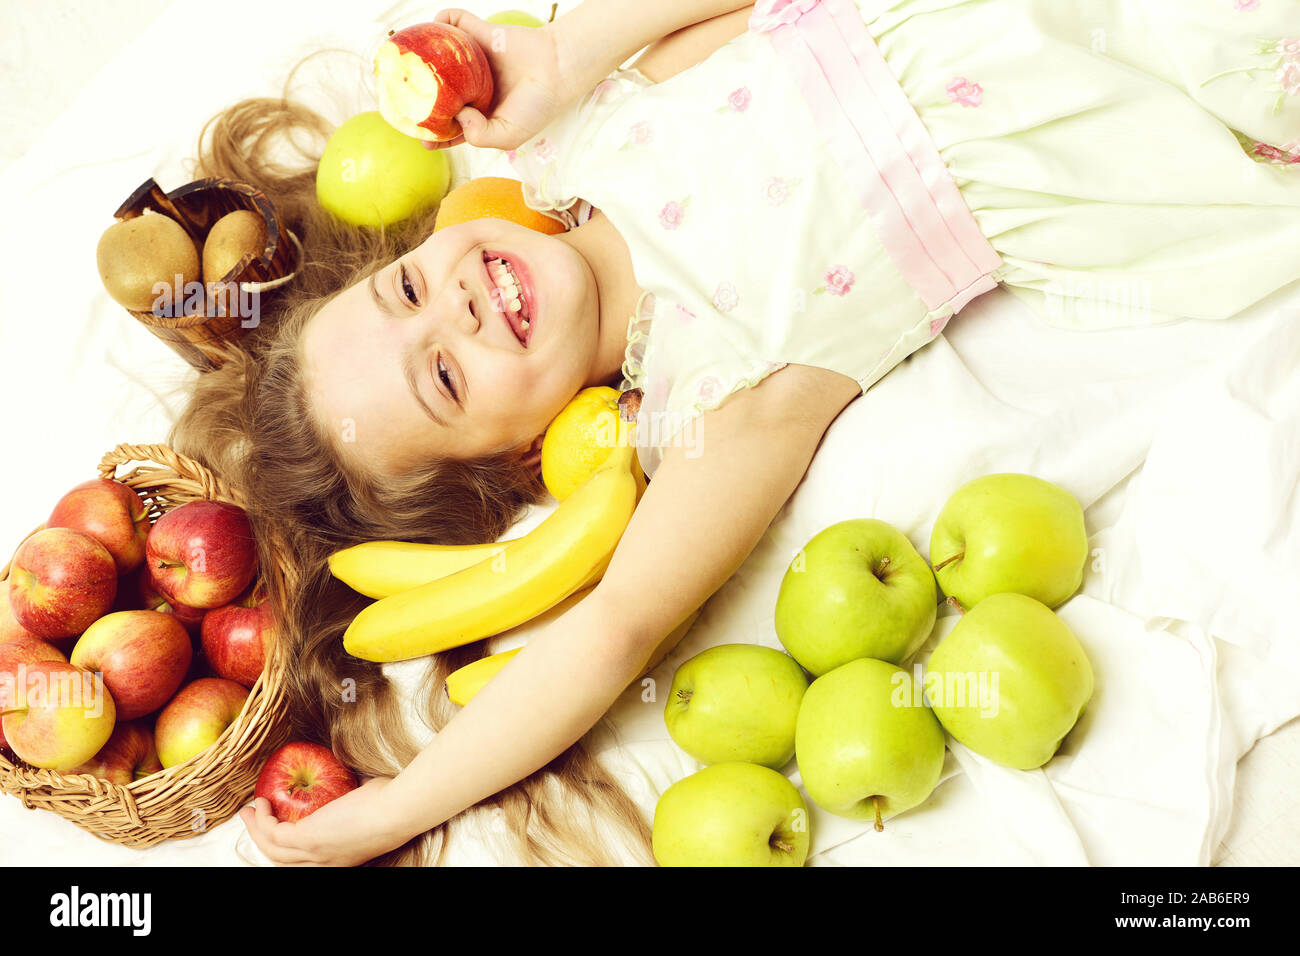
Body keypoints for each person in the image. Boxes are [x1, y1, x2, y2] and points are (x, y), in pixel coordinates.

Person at [173, 0, 1297, 865]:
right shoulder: (713, 399)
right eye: (447, 378)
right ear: (525, 454)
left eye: (408, 291)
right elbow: (610, 631)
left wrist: (562, 56)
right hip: (1104, 139)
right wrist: (396, 808)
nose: (454, 309)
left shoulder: (587, 128)